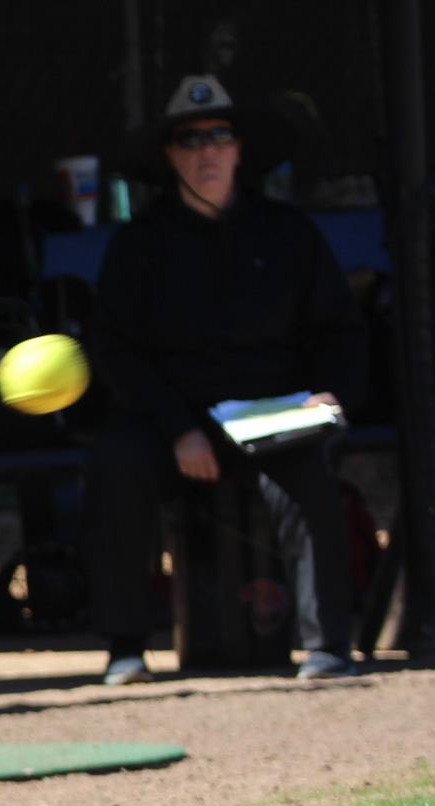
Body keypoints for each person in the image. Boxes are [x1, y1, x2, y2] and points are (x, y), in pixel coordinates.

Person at [86, 75, 363, 684]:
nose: (206, 151)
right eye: (190, 140)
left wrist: (329, 393)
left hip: (273, 413)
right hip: (172, 421)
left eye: (220, 136)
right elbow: (114, 349)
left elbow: (339, 328)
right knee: (116, 461)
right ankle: (126, 646)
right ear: (170, 156)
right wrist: (180, 428)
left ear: (241, 151)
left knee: (310, 473)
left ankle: (328, 647)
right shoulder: (139, 246)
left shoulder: (288, 233)